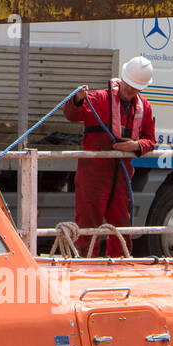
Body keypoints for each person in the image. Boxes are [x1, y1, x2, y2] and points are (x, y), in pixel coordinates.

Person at [63, 55, 157, 257]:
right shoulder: (98, 98)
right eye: (128, 84)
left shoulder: (145, 107)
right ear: (122, 78)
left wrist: (136, 145)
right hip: (93, 175)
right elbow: (72, 115)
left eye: (135, 87)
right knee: (88, 226)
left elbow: (150, 140)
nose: (130, 90)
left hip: (122, 176)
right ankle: (87, 266)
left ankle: (120, 266)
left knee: (122, 227)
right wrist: (77, 100)